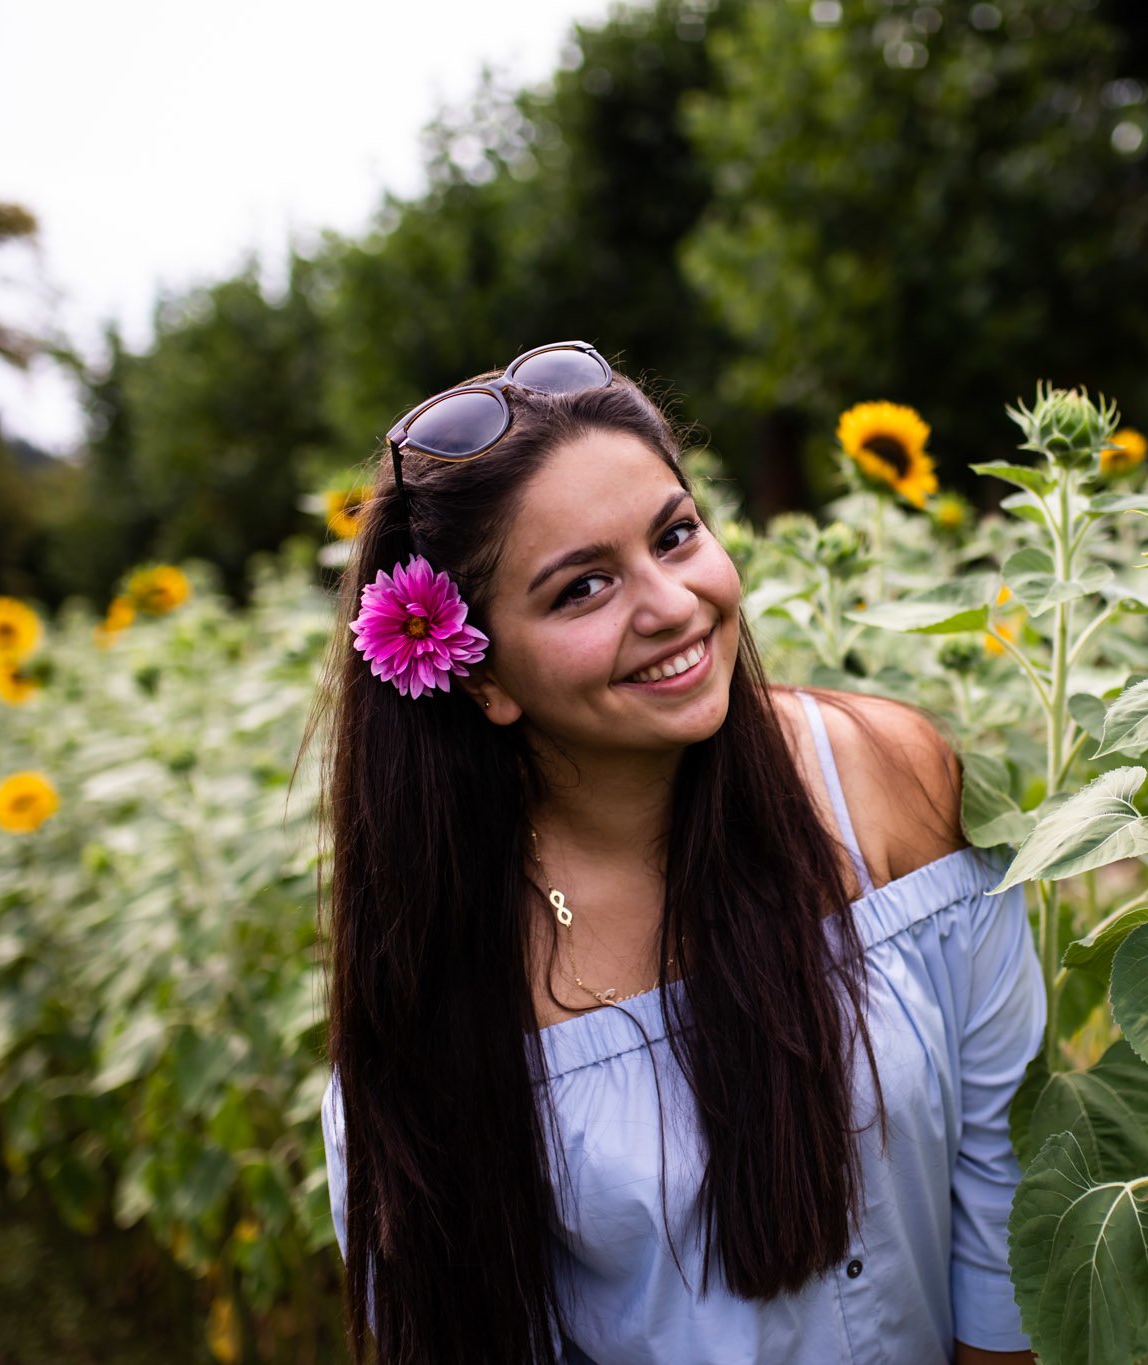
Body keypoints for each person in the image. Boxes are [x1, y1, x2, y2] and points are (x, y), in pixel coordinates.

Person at [309, 342, 1045, 1364]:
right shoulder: (442, 991)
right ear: (476, 676)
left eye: (674, 535)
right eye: (581, 589)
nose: (670, 605)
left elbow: (1007, 1176)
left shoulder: (883, 777)